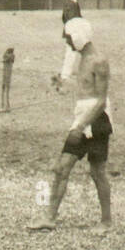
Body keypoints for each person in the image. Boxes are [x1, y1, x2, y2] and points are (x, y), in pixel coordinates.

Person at [26, 17, 112, 232]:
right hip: (82, 119)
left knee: (97, 172)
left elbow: (100, 101)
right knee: (61, 168)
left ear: (79, 36)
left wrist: (80, 126)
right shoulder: (80, 59)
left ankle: (106, 221)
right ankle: (49, 217)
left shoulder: (98, 61)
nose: (68, 43)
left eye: (69, 39)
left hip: (97, 120)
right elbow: (84, 92)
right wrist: (60, 85)